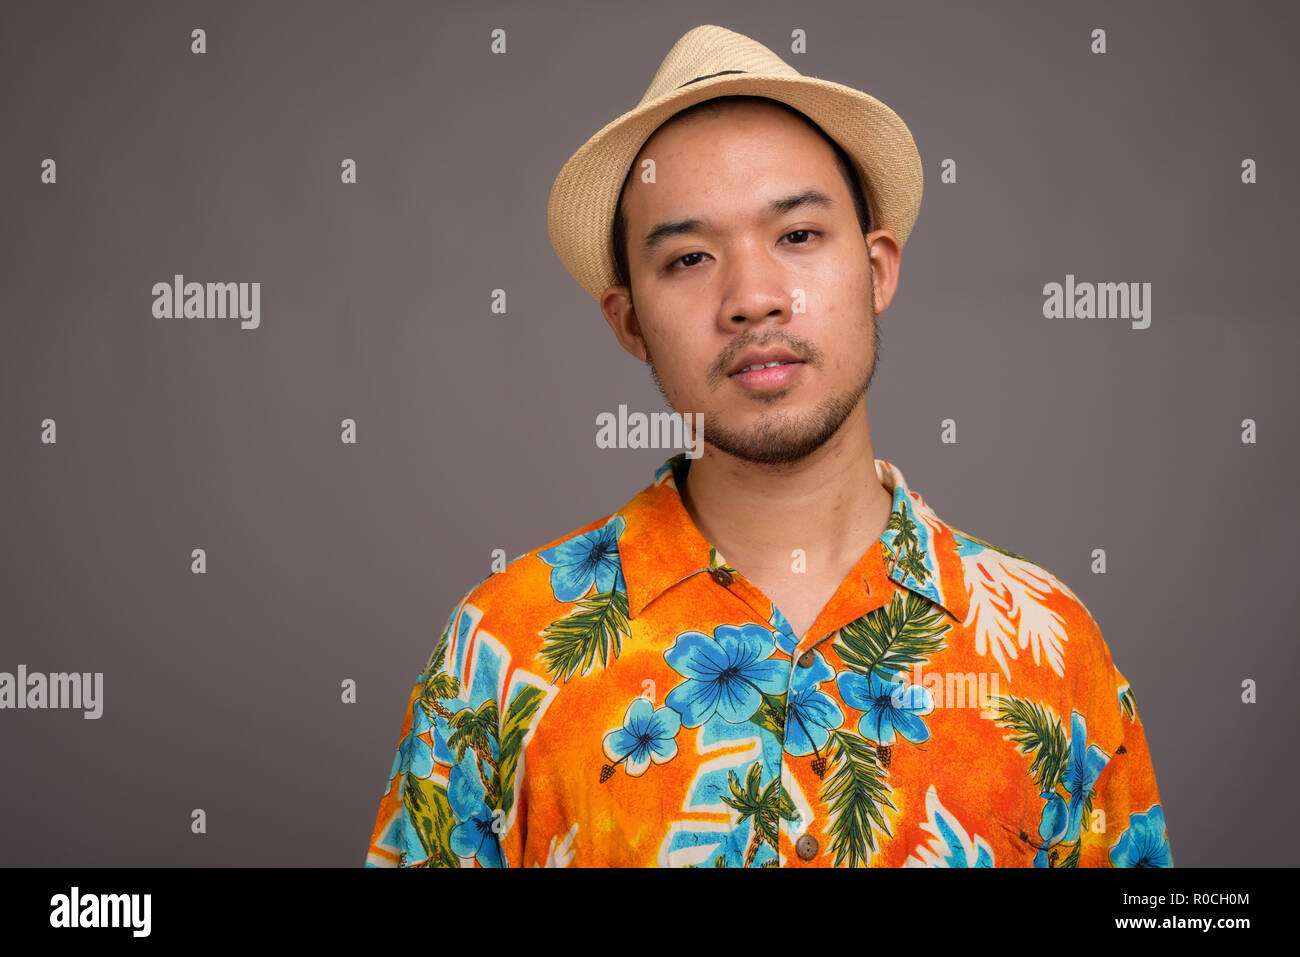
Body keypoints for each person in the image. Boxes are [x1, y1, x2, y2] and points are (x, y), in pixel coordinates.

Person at [364, 24, 1170, 868]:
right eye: (689, 257)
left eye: (797, 237)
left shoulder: (1050, 642)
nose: (752, 297)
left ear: (878, 269)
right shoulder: (499, 651)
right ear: (630, 321)